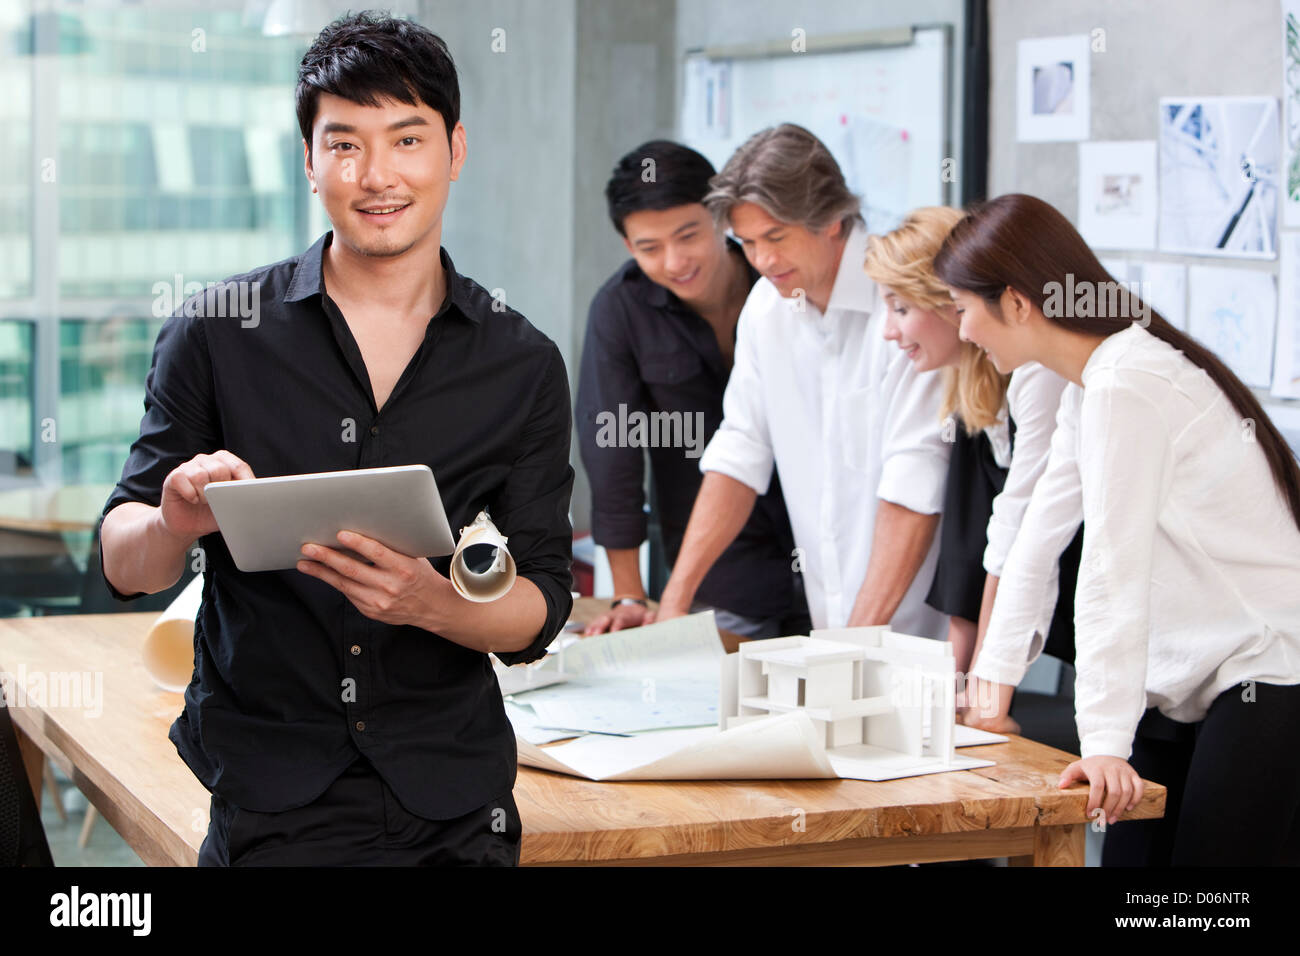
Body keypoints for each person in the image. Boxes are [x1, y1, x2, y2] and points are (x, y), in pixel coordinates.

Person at [98, 12, 574, 866]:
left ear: (455, 151)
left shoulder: (523, 363)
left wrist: (432, 604)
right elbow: (123, 563)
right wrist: (172, 524)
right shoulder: (217, 332)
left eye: (407, 139)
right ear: (310, 160)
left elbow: (541, 602)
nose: (378, 175)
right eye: (345, 144)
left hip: (455, 804)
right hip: (271, 799)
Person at [935, 192, 1300, 865]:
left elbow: (1112, 568)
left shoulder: (1128, 382)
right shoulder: (1091, 381)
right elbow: (1035, 541)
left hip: (1268, 670)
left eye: (962, 308)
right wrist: (989, 690)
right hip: (1191, 679)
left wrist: (1102, 742)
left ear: (1016, 303)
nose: (962, 332)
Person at [654, 124, 950, 638]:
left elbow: (915, 482)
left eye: (776, 237)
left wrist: (853, 647)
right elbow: (740, 451)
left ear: (832, 220)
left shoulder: (904, 307)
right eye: (746, 242)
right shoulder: (767, 309)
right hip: (831, 622)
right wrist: (672, 607)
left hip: (923, 634)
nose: (763, 260)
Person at [577, 141, 808, 639]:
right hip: (718, 568)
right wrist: (629, 595)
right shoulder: (621, 311)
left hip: (822, 542)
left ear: (721, 218)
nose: (675, 261)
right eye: (649, 248)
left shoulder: (781, 283)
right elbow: (613, 456)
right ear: (627, 247)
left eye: (688, 236)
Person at [863, 207, 1078, 717]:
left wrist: (987, 693)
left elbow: (1019, 537)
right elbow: (970, 547)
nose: (889, 332)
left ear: (947, 303)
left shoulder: (1035, 374)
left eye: (900, 308)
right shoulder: (968, 389)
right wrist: (960, 687)